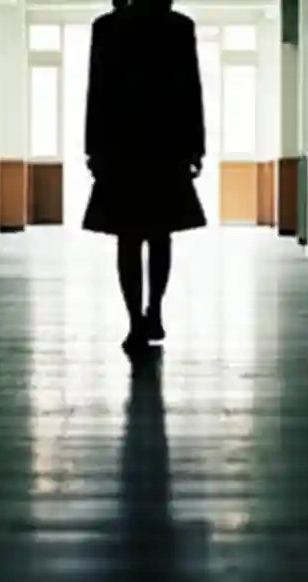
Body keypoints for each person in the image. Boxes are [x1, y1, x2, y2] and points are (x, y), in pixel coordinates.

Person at [83, 0, 206, 353]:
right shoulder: (178, 27)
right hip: (166, 145)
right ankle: (154, 310)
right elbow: (190, 90)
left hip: (121, 146)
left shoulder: (107, 27)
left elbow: (98, 91)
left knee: (128, 237)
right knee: (160, 234)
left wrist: (93, 149)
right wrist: (195, 148)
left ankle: (136, 319)